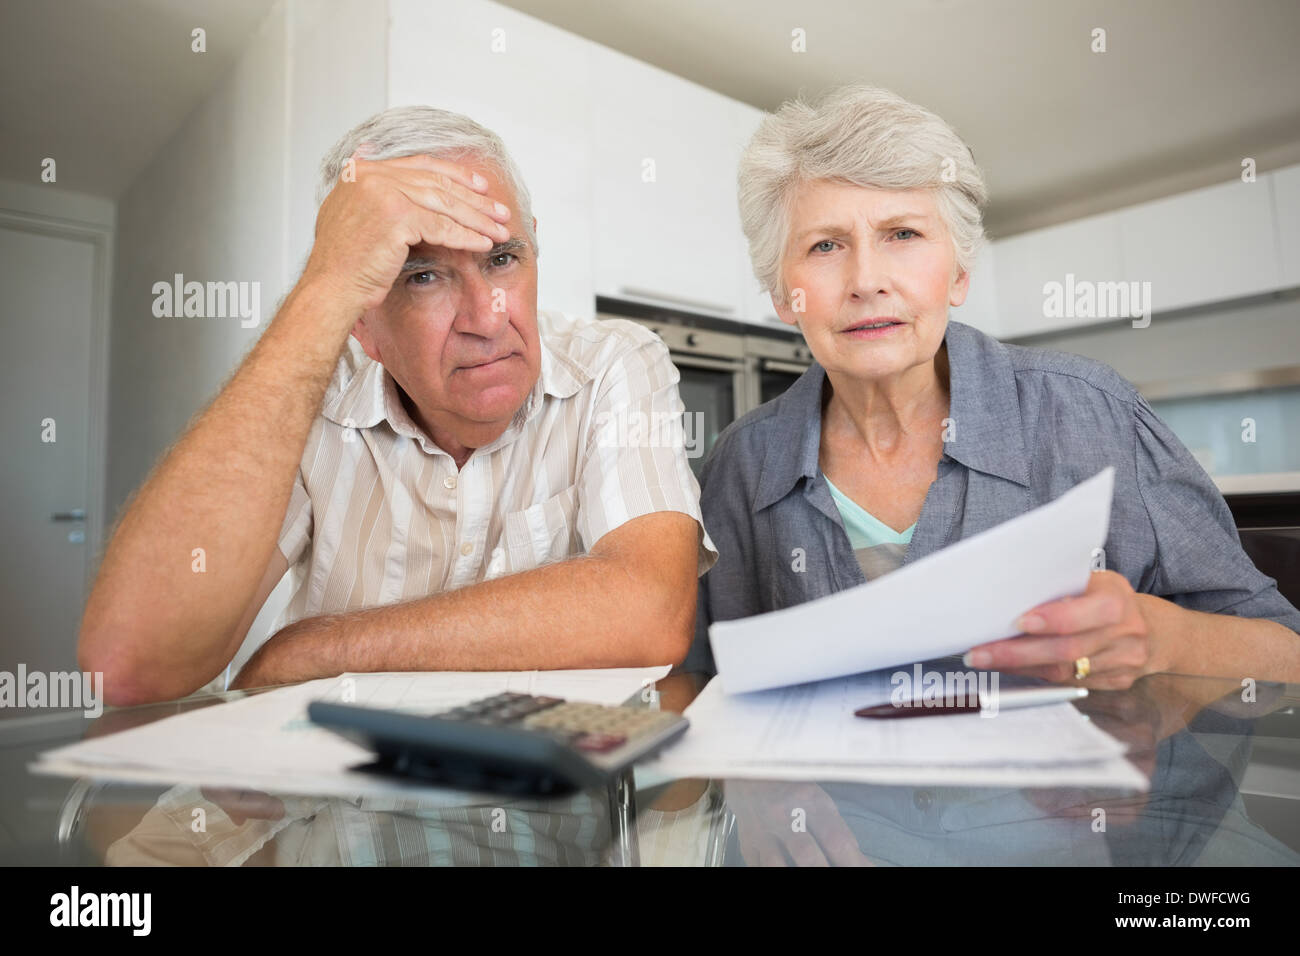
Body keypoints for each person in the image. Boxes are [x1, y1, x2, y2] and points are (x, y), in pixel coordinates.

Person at [80, 106, 716, 705]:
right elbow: (131, 661)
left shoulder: (615, 361)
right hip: (336, 815)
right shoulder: (312, 395)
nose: (485, 320)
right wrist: (323, 286)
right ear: (363, 321)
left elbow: (649, 609)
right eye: (423, 275)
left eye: (501, 259)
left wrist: (325, 646)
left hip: (553, 815)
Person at [691, 85, 1300, 689]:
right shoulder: (742, 464)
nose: (867, 280)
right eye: (825, 245)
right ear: (779, 292)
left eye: (903, 234)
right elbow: (699, 685)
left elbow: (1285, 653)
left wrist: (1165, 637)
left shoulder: (1092, 413)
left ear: (958, 273)